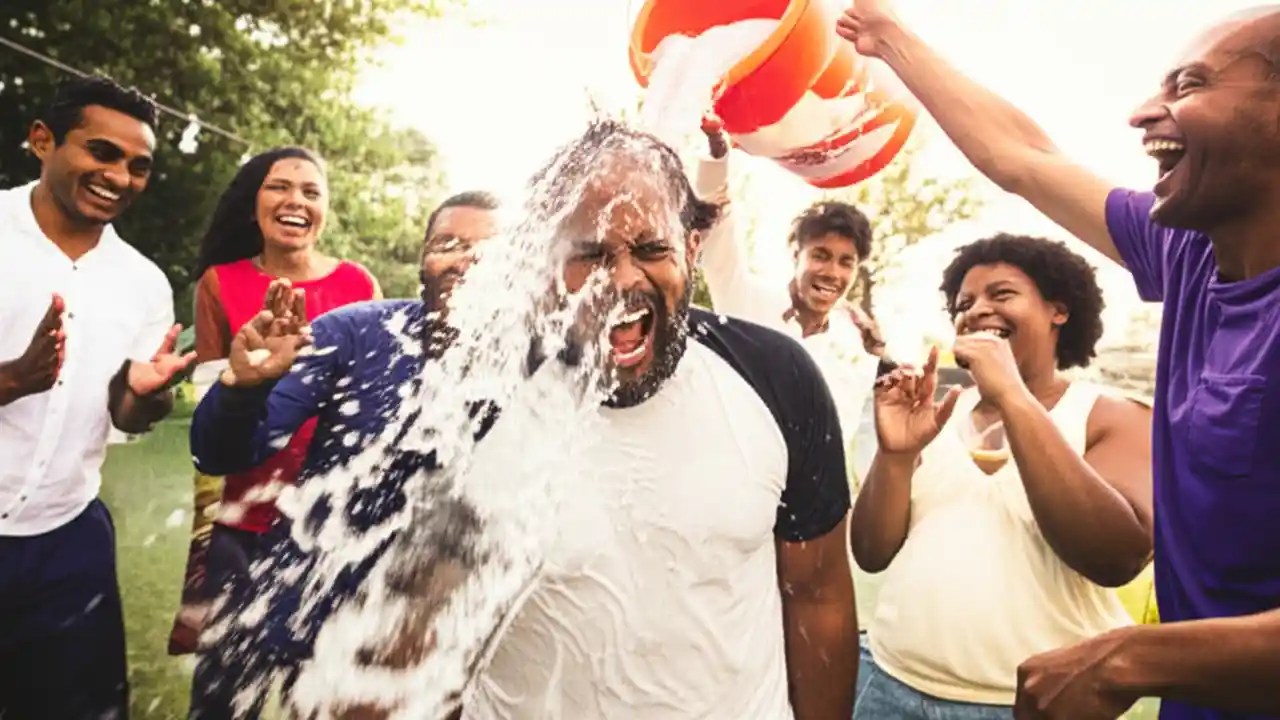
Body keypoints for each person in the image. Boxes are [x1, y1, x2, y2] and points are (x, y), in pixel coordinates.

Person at [195, 119, 858, 719]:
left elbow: (818, 595)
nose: (620, 280)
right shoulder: (482, 400)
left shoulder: (777, 378)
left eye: (652, 248)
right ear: (544, 263)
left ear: (691, 243)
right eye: (590, 254)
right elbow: (414, 643)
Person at [838, 3, 1280, 718]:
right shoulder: (1191, 253)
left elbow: (1115, 552)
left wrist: (1134, 656)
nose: (1143, 113)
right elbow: (1023, 157)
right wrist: (888, 39)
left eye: (1189, 86)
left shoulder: (1104, 411)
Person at [186, 189, 501, 718]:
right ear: (422, 257)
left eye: (487, 251)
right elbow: (219, 452)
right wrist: (242, 389)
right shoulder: (358, 333)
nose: (464, 260)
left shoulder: (534, 365)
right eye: (447, 243)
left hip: (441, 629)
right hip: (314, 608)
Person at [852, 234, 1153, 718]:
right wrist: (896, 455)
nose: (977, 310)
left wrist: (1013, 395)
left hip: (1022, 705)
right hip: (888, 683)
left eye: (1002, 294)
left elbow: (1116, 557)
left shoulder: (1112, 417)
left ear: (1059, 309)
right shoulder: (937, 410)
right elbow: (871, 553)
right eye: (964, 302)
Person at [0, 75, 195, 718]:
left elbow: (128, 415)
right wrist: (10, 380)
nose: (120, 176)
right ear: (41, 140)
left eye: (138, 166)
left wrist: (145, 397)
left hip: (68, 539)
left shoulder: (143, 284)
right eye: (101, 152)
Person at [169, 147, 380, 661]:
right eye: (279, 186)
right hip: (238, 522)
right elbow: (211, 412)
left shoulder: (358, 285)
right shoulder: (221, 283)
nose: (296, 200)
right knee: (222, 688)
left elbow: (369, 408)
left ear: (325, 209)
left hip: (325, 520)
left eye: (311, 191)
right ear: (253, 204)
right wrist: (205, 529)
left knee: (314, 688)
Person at [695, 114, 886, 455]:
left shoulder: (854, 342)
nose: (832, 273)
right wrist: (717, 154)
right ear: (796, 253)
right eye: (821, 256)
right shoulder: (746, 302)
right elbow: (717, 228)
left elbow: (840, 441)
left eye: (846, 262)